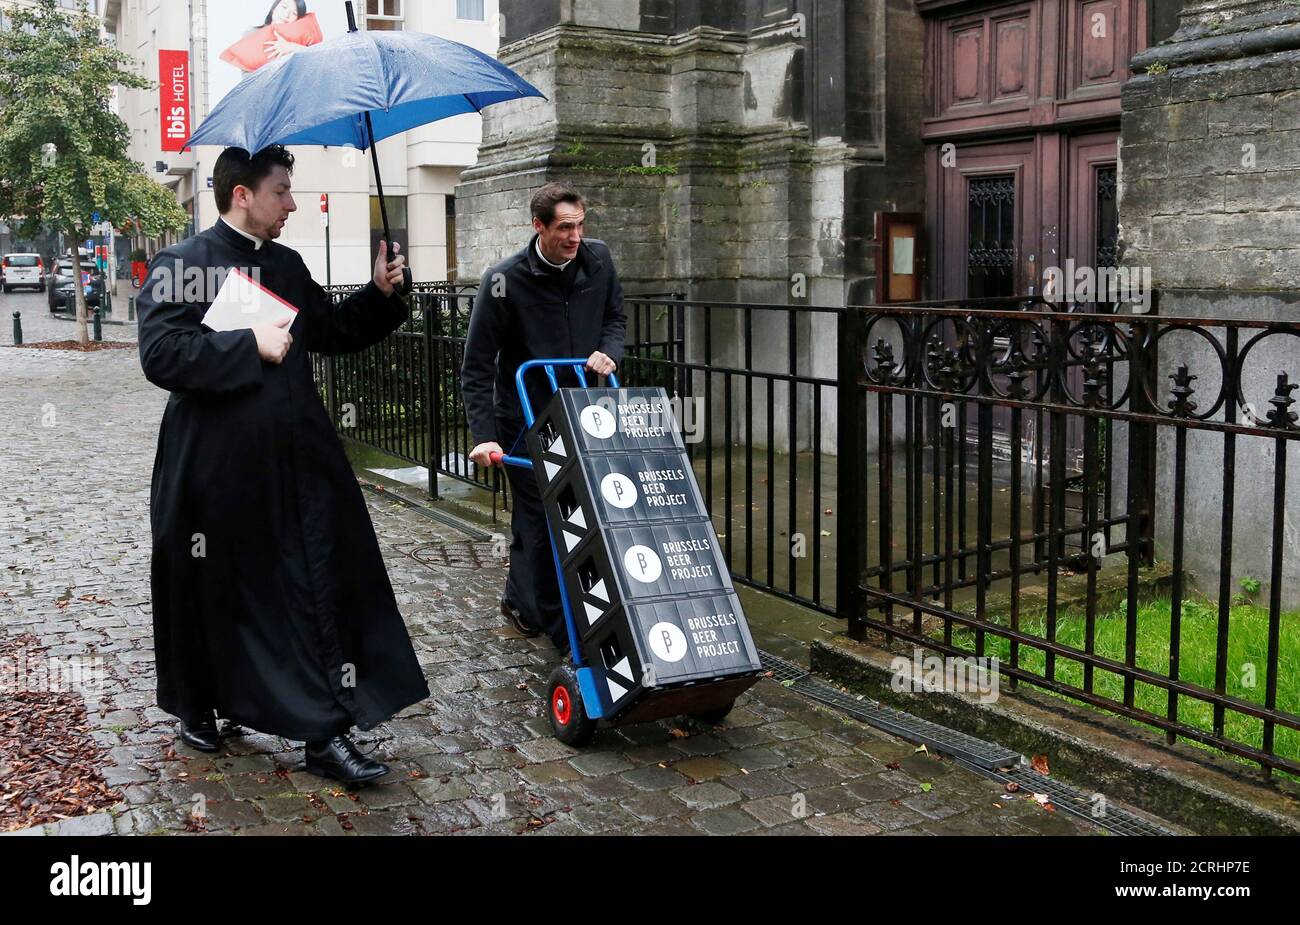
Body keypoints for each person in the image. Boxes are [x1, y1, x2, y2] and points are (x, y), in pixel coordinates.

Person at [137, 144, 429, 786]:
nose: (291, 203)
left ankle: (325, 732)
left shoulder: (288, 265)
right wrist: (249, 344)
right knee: (213, 587)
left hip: (298, 459)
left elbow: (334, 330)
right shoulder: (180, 264)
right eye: (281, 192)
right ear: (242, 194)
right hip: (214, 467)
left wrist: (380, 295)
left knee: (313, 584)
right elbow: (161, 356)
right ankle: (201, 703)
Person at [460, 182, 626, 650]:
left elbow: (615, 317)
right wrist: (484, 436)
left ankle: (521, 600)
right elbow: (476, 366)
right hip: (527, 420)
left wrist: (608, 352)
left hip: (585, 414)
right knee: (544, 521)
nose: (575, 237)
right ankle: (563, 632)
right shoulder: (504, 279)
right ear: (539, 226)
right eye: (564, 228)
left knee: (583, 513)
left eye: (580, 225)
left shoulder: (599, 259)